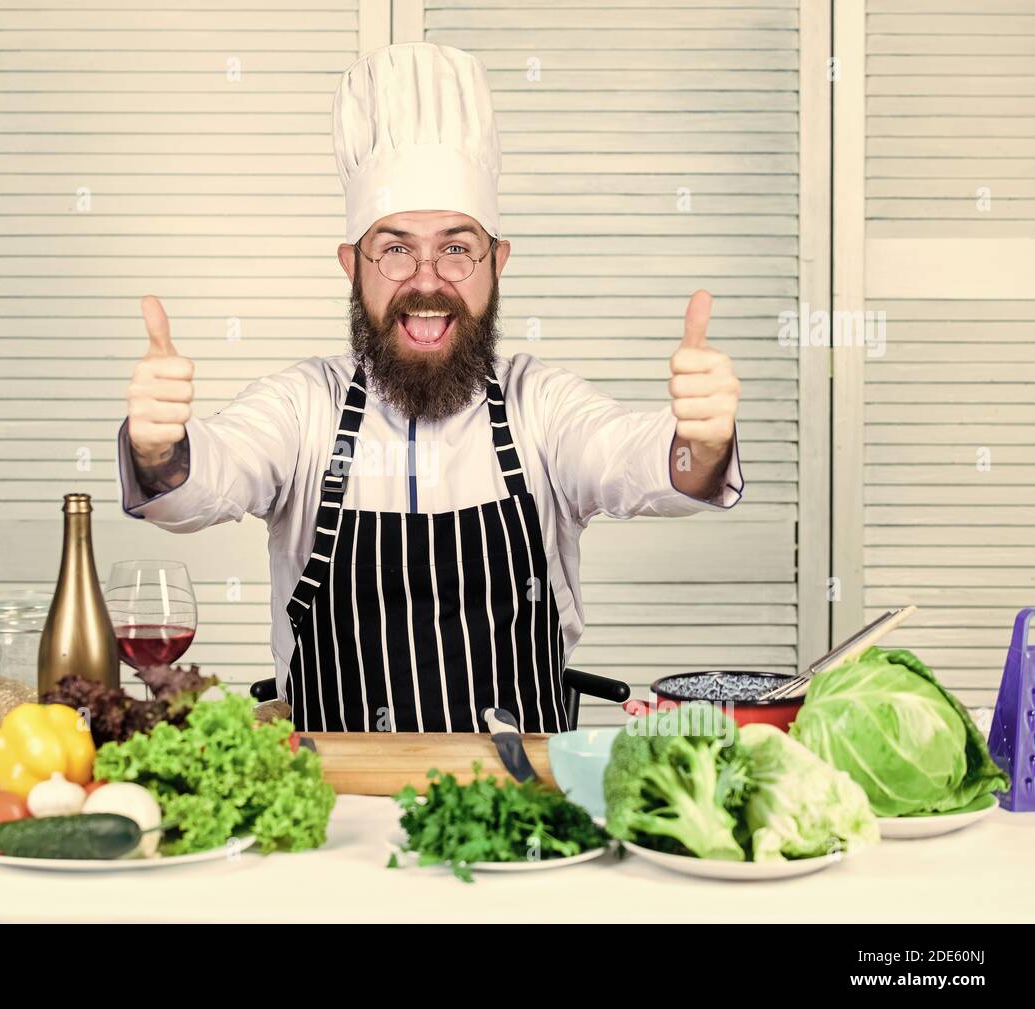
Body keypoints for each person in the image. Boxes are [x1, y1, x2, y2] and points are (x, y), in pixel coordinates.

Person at [118, 42, 743, 733]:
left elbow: (642, 462)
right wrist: (159, 448)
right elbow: (207, 478)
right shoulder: (304, 408)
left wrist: (700, 440)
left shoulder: (543, 408)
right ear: (351, 266)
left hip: (523, 806)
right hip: (333, 810)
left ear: (496, 264)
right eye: (393, 248)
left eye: (455, 247)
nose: (426, 279)